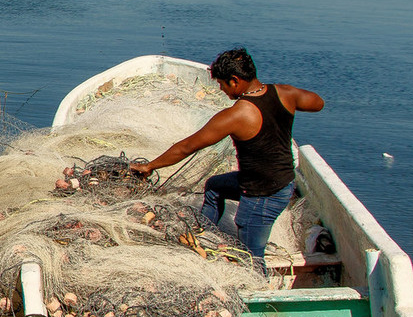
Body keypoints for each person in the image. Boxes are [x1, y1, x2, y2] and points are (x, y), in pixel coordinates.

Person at [130, 48, 323, 264]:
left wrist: (151, 166)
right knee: (215, 186)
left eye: (221, 84)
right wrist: (290, 102)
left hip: (261, 195)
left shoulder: (237, 115)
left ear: (235, 80)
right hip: (284, 184)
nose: (221, 90)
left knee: (251, 258)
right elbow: (317, 103)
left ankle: (260, 290)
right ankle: (204, 236)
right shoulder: (284, 93)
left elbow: (187, 146)